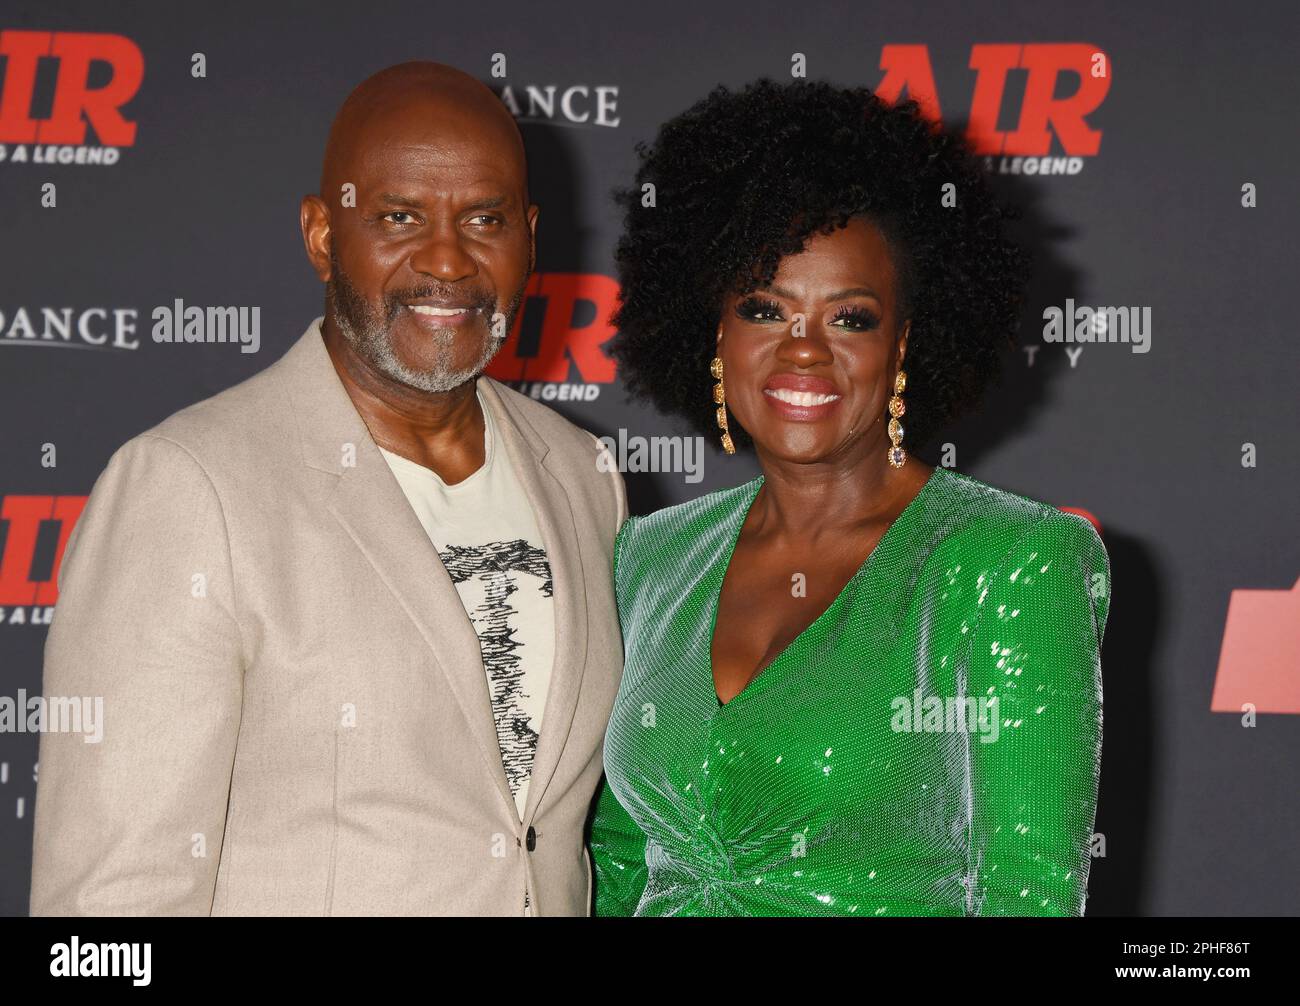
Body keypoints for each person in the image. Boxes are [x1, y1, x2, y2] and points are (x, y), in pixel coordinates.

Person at [30, 62, 626, 916]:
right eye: (399, 217)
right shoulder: (192, 487)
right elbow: (107, 910)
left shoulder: (583, 476)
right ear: (321, 237)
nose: (448, 259)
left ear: (530, 236)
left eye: (485, 219)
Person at [588, 79, 1109, 916]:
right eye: (765, 309)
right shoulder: (649, 556)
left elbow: (1030, 895)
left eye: (851, 318)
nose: (804, 353)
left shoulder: (1008, 562)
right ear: (712, 333)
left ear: (905, 341)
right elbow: (614, 865)